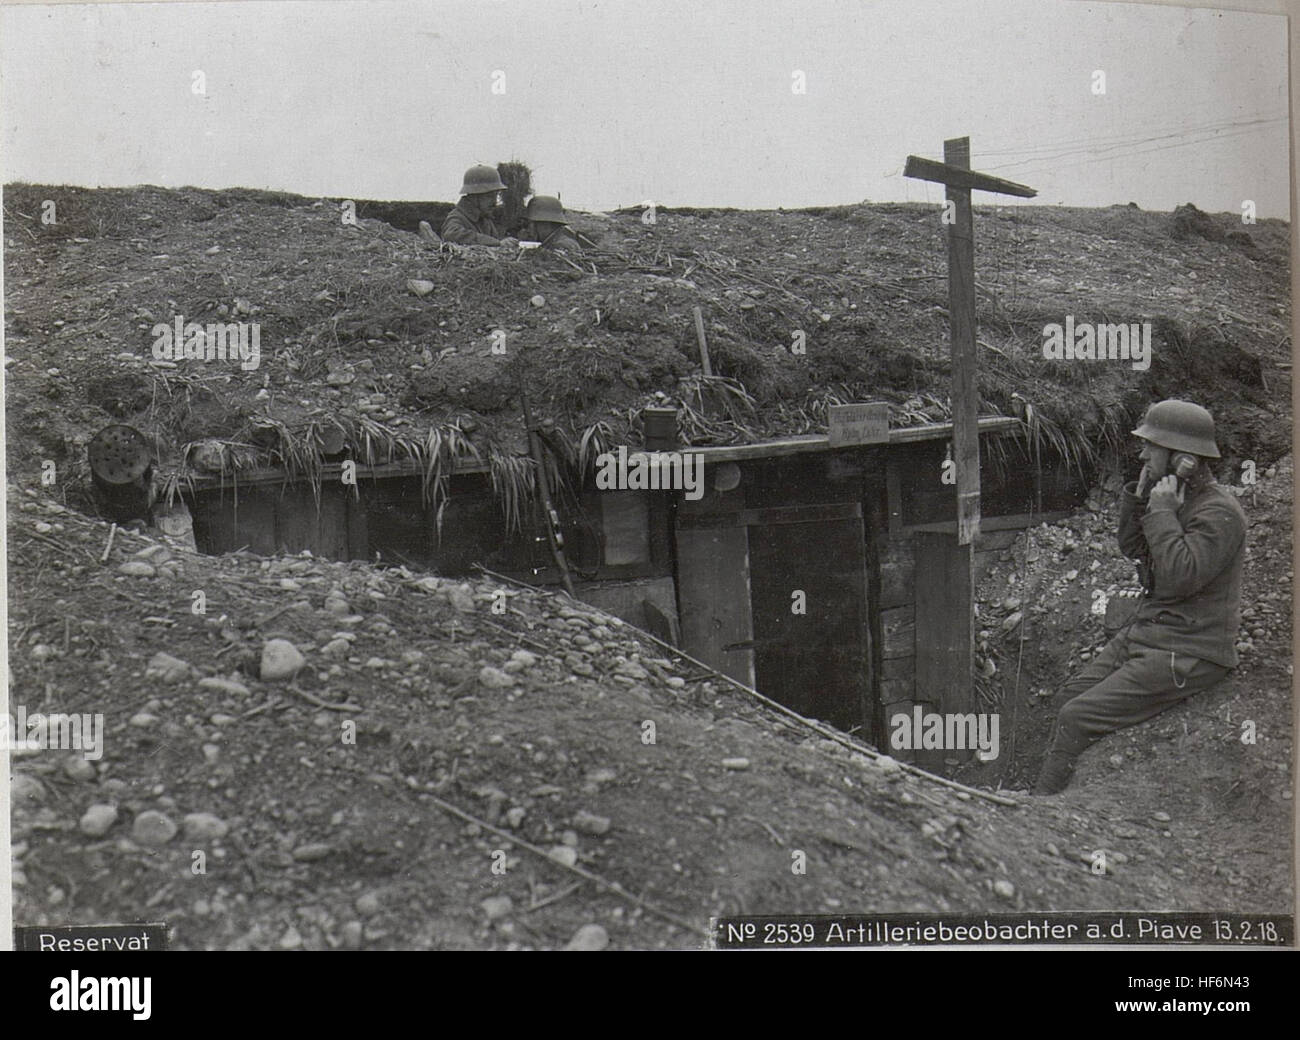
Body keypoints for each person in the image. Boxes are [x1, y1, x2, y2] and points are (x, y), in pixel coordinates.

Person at [1034, 399, 1246, 795]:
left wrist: (1164, 513)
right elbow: (1134, 549)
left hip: (1191, 650)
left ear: (1184, 458)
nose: (1143, 452)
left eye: (1152, 446)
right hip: (1152, 634)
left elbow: (1181, 577)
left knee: (1077, 716)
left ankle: (1041, 804)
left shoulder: (1220, 513)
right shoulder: (1173, 497)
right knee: (1069, 696)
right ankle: (1057, 788)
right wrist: (1142, 496)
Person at [440, 165, 520, 247]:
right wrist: (496, 243)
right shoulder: (457, 217)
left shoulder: (485, 219)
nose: (494, 202)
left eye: (495, 196)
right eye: (489, 196)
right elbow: (451, 235)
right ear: (475, 196)